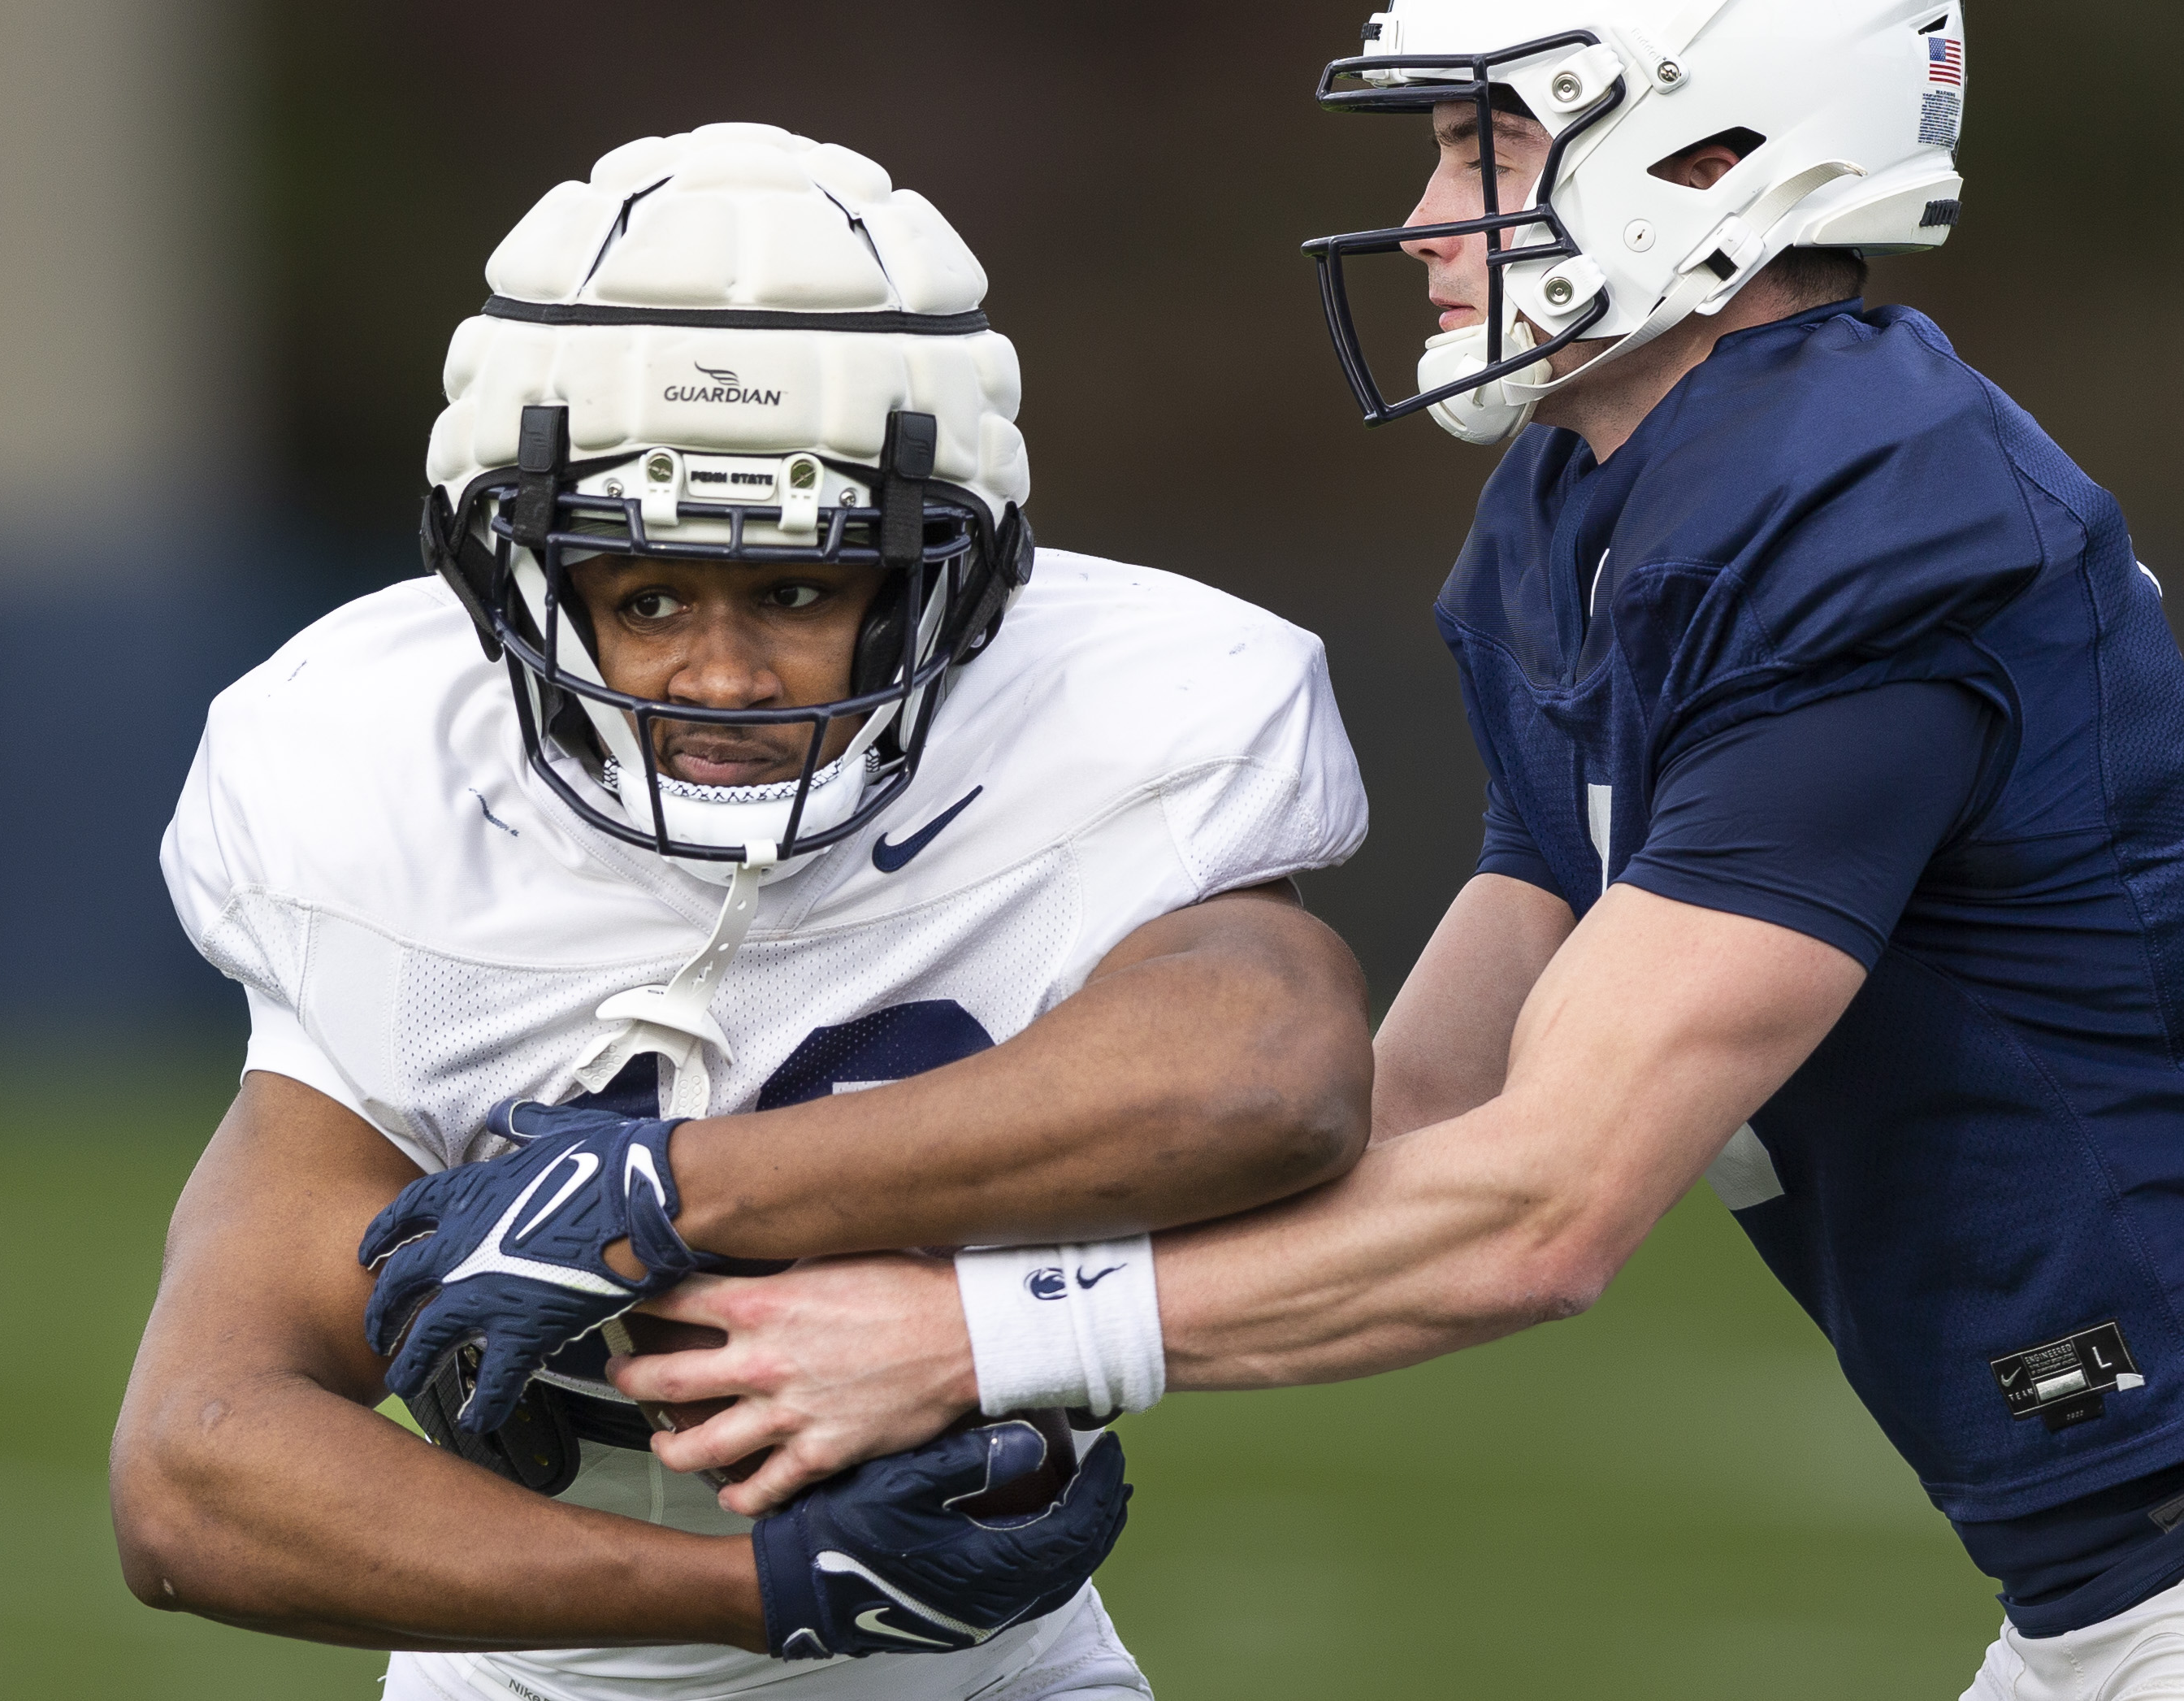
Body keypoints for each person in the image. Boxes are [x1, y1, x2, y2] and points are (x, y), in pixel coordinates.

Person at [600, 10, 2184, 1696]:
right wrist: (844, 1259)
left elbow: (1542, 1211)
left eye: (1482, 149)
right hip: (2096, 1578)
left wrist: (956, 1343)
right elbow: (1416, 1105)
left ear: (1719, 159)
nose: (1431, 220)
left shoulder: (1862, 514)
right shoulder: (1591, 498)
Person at [108, 122, 1377, 1701]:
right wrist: (761, 1592)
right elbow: (193, 1468)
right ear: (519, 581)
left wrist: (668, 1191)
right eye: (644, 599)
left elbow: (1267, 1076)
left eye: (793, 591)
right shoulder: (366, 775)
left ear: (940, 579)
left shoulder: (1119, 715)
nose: (720, 678)